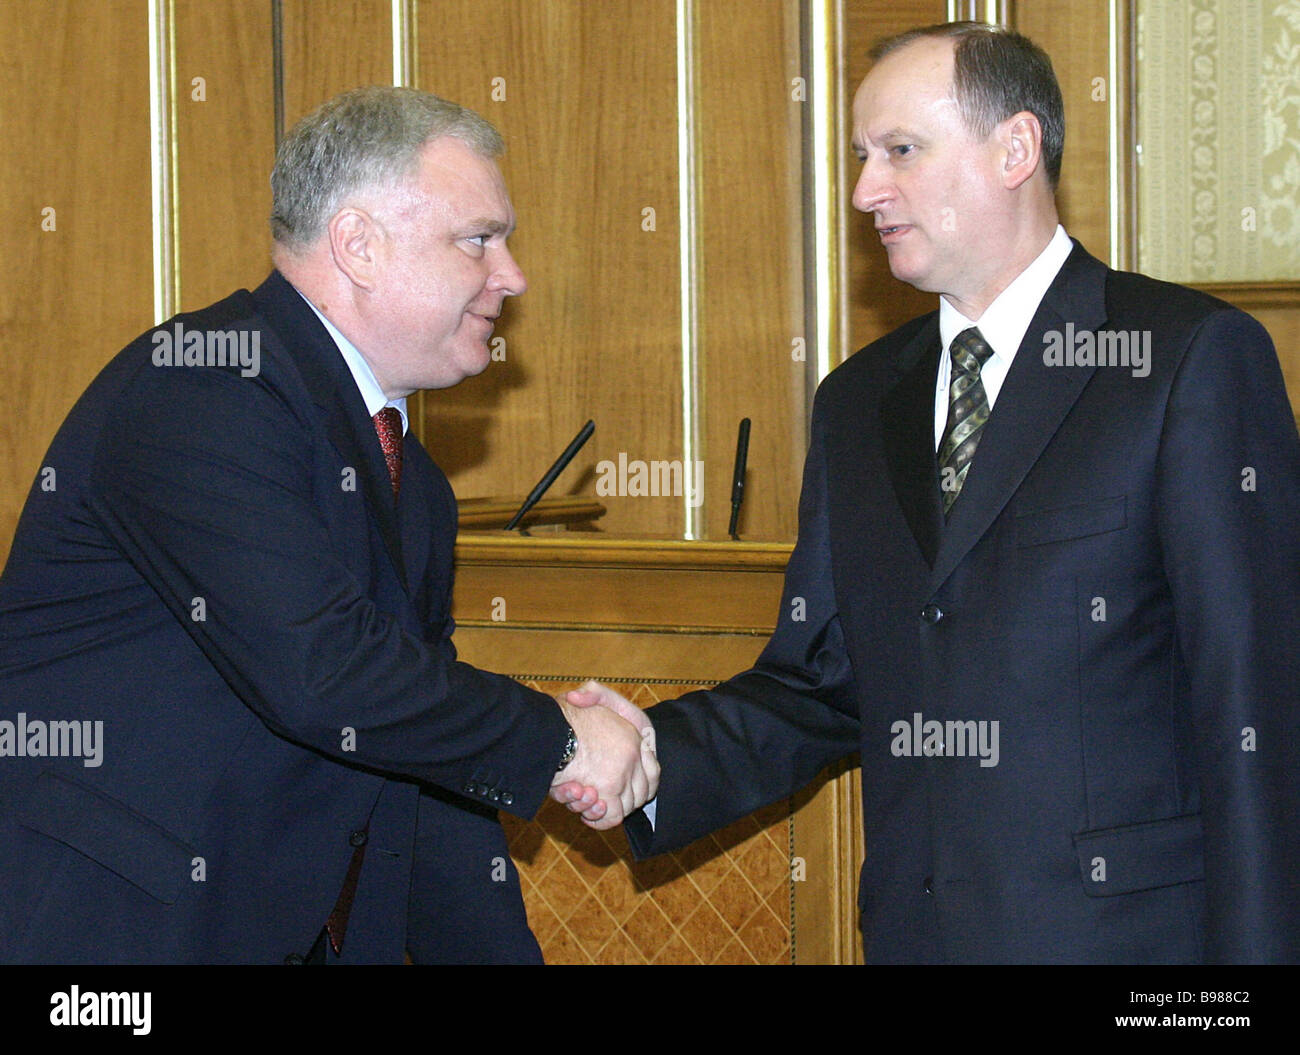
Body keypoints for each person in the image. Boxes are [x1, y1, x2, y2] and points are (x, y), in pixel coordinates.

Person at [557, 22, 1300, 963]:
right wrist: (652, 752)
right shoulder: (859, 401)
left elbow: (1259, 711)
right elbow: (820, 684)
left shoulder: (1182, 359)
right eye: (864, 157)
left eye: (900, 151)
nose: (866, 190)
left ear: (1015, 148)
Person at [0, 86, 656, 964]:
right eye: (479, 239)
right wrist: (561, 740)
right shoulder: (201, 385)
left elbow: (416, 772)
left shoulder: (413, 479)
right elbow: (322, 668)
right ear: (358, 245)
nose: (513, 274)